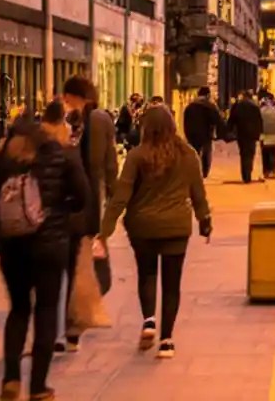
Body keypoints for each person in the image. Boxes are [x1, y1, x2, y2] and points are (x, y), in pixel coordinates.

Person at [0, 104, 90, 401]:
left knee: (18, 310)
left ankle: (10, 379)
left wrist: (0, 226)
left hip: (12, 246)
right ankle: (38, 387)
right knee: (46, 312)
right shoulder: (65, 155)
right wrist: (60, 211)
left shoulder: (5, 160)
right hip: (50, 245)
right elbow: (83, 197)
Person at [99, 106, 212, 359]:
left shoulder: (137, 156)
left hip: (143, 227)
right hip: (176, 227)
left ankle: (149, 321)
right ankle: (167, 341)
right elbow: (198, 194)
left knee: (147, 275)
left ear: (146, 128)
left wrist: (104, 231)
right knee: (171, 285)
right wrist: (204, 221)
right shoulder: (188, 155)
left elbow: (121, 197)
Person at [57, 76, 117, 353]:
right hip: (93, 204)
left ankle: (73, 325)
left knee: (76, 267)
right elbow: (110, 166)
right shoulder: (103, 120)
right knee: (88, 264)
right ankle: (74, 326)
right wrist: (115, 200)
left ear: (74, 97)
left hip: (70, 205)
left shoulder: (69, 122)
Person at [183, 88, 223, 179]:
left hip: (192, 134)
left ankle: (195, 171)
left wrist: (187, 133)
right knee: (206, 154)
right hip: (206, 134)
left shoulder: (190, 106)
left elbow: (186, 121)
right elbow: (217, 120)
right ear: (208, 95)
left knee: (194, 152)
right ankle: (204, 173)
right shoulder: (210, 106)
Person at [227, 91, 264, 183]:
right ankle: (248, 171)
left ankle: (245, 174)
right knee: (250, 153)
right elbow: (259, 121)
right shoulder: (255, 107)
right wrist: (259, 133)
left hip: (241, 133)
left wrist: (229, 130)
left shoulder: (238, 106)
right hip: (252, 134)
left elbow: (232, 120)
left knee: (243, 153)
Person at [259, 96, 275, 180]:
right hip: (274, 136)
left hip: (264, 136)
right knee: (272, 154)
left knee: (265, 154)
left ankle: (265, 171)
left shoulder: (261, 112)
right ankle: (272, 171)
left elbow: (259, 124)